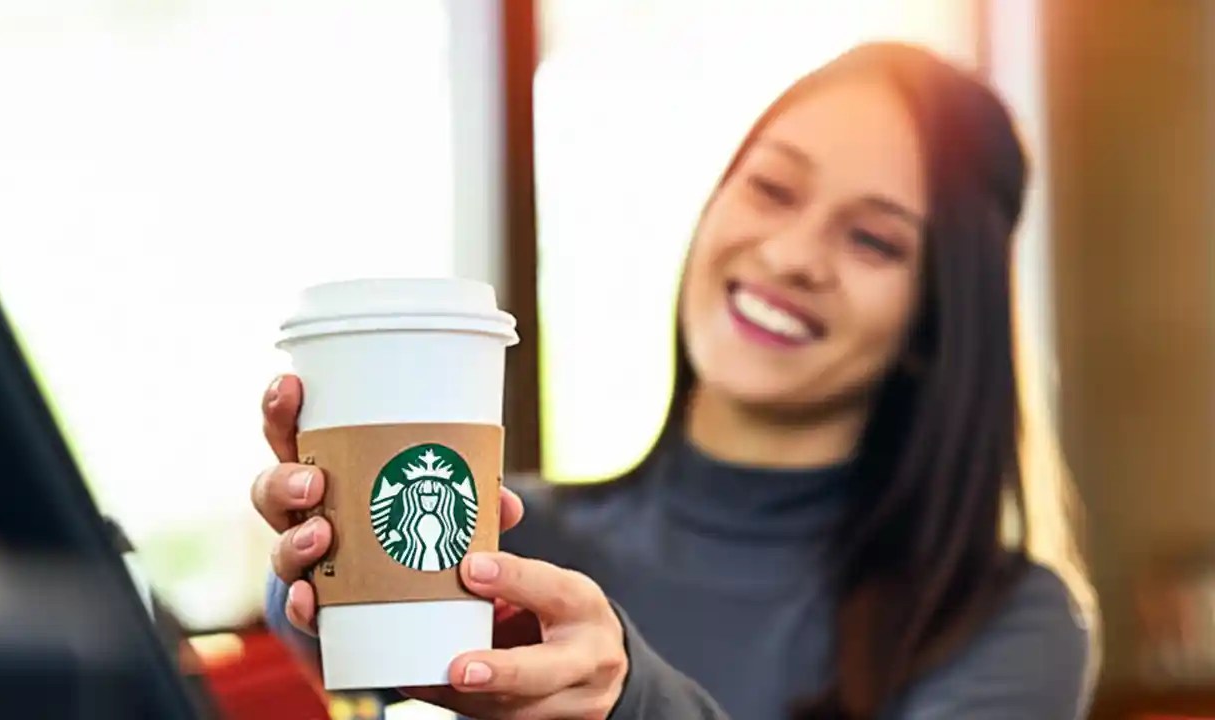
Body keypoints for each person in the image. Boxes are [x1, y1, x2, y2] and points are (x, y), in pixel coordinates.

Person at [251, 42, 1096, 719]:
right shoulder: (517, 542)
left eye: (872, 241)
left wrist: (632, 703)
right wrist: (331, 549)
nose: (792, 256)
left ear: (939, 319)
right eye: (771, 188)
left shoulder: (1005, 623)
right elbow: (344, 650)